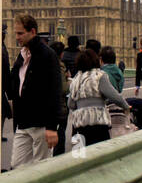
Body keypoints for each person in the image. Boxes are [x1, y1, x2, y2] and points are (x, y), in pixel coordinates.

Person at [8, 15, 62, 167]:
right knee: (17, 166)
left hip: (41, 124)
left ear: (32, 31)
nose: (16, 37)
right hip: (23, 123)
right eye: (15, 33)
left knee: (42, 168)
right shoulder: (22, 55)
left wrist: (52, 127)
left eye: (20, 33)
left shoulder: (47, 55)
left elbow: (54, 91)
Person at [68, 49, 130, 148]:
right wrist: (126, 106)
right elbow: (114, 96)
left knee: (81, 157)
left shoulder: (76, 79)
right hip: (98, 122)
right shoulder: (99, 76)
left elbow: (70, 104)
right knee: (101, 155)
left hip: (80, 124)